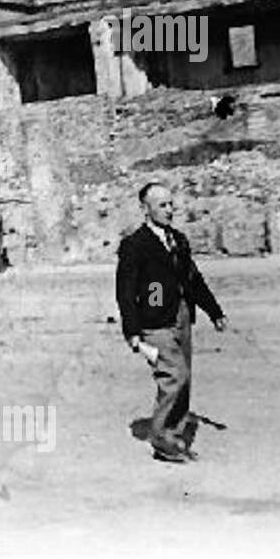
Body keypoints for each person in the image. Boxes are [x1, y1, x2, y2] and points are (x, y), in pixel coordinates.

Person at [115, 182, 227, 463]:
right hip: (154, 322)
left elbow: (193, 279)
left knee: (184, 378)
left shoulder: (178, 240)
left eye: (170, 204)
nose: (169, 210)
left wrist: (214, 311)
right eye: (162, 205)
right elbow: (125, 291)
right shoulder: (134, 245)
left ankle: (174, 436)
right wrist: (132, 331)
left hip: (182, 317)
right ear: (145, 209)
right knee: (173, 376)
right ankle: (161, 436)